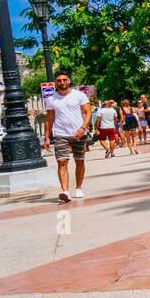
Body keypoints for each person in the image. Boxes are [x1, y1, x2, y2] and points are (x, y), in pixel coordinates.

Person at [42, 70, 92, 203]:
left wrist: (83, 128)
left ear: (69, 80)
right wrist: (46, 138)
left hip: (79, 134)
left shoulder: (79, 95)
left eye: (64, 80)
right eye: (59, 80)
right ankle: (65, 191)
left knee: (79, 161)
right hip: (60, 134)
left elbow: (88, 113)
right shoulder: (51, 98)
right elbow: (49, 119)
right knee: (62, 161)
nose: (62, 82)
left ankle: (79, 187)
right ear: (55, 83)